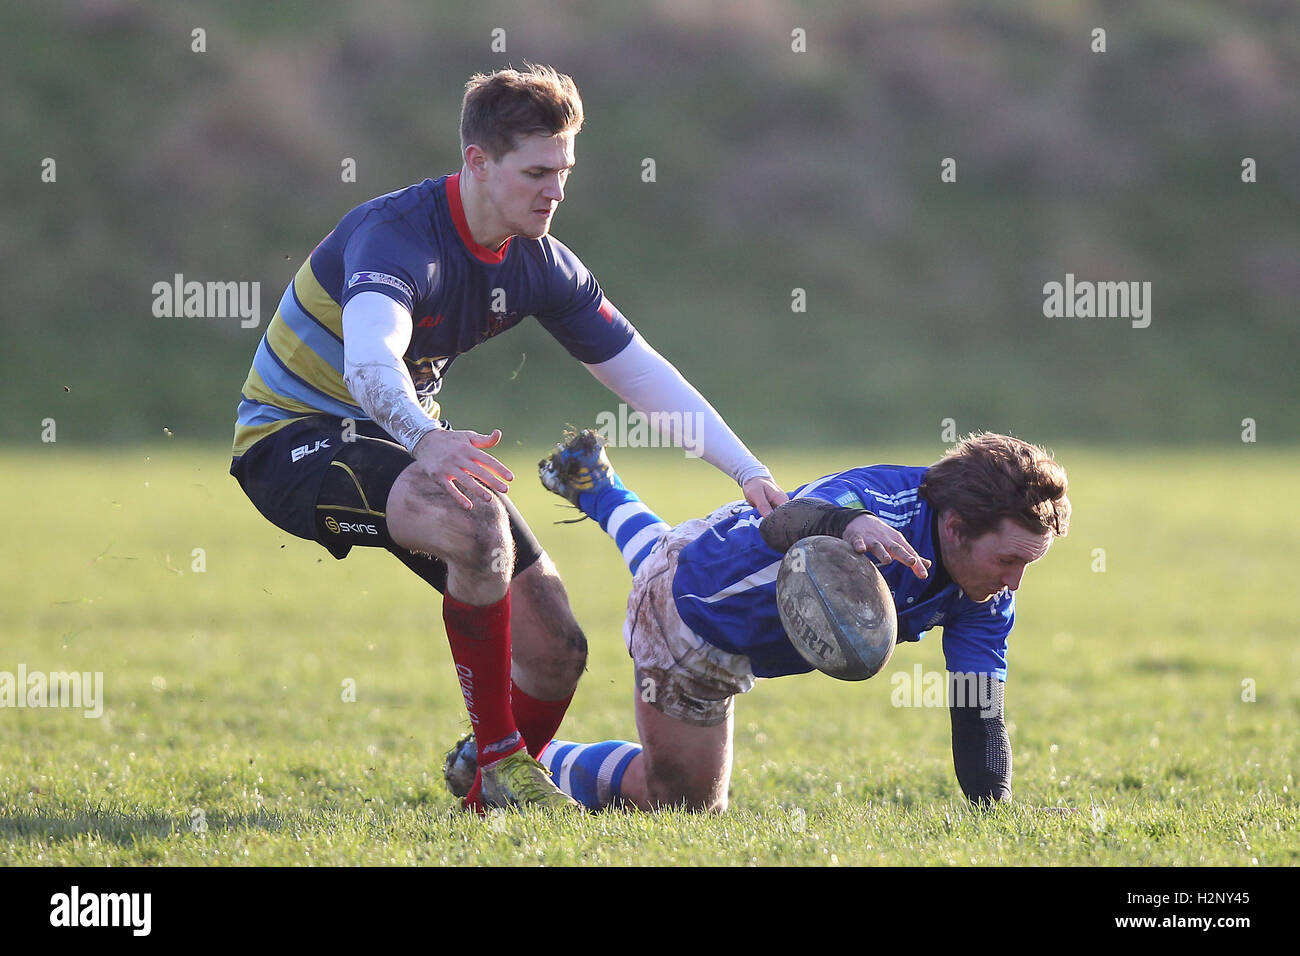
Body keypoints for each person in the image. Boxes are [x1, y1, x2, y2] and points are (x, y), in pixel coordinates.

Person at [228, 65, 786, 811]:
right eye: (536, 171)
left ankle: (482, 807)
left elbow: (643, 376)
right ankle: (501, 761)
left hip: (403, 446)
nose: (554, 189)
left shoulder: (539, 263)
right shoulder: (398, 237)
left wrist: (746, 471)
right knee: (475, 521)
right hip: (291, 442)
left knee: (558, 651)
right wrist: (427, 439)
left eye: (564, 170)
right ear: (477, 163)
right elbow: (369, 363)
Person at [444, 429, 1070, 812]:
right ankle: (521, 757)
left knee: (669, 555)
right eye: (1012, 559)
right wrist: (844, 526)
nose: (1016, 580)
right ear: (956, 528)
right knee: (681, 807)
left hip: (708, 551)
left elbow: (977, 706)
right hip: (692, 629)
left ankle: (598, 484)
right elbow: (785, 521)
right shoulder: (877, 501)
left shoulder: (985, 589)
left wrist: (996, 817)